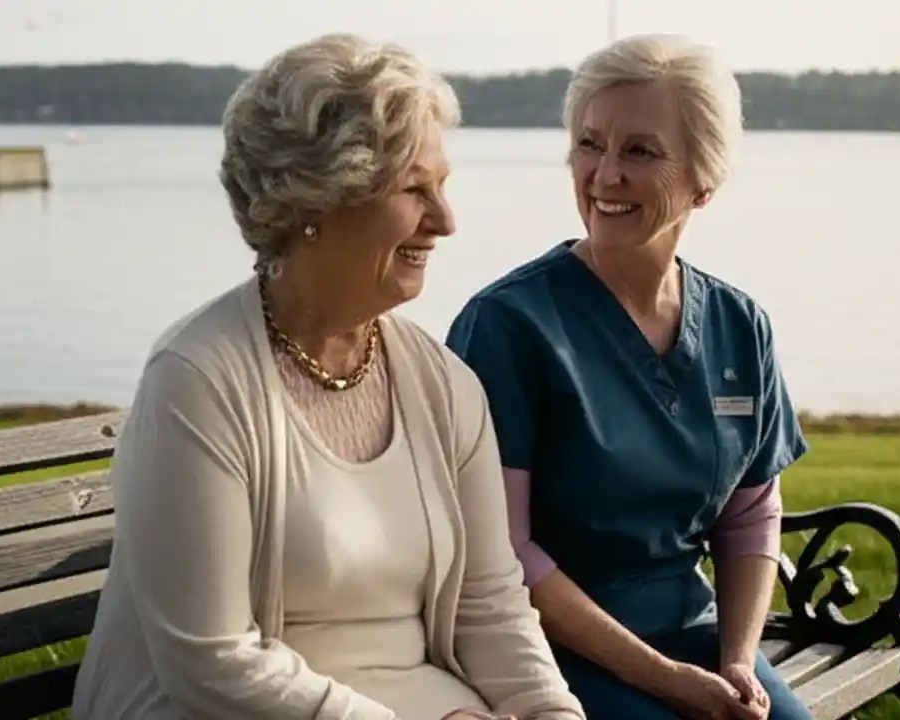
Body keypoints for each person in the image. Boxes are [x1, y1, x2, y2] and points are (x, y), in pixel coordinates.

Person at [69, 34, 585, 720]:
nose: (446, 221)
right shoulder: (198, 382)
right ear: (315, 203)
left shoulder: (444, 387)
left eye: (443, 185)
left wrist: (552, 711)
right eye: (413, 189)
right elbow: (212, 661)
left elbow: (489, 605)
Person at [445, 34, 814, 720]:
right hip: (548, 648)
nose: (604, 174)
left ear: (704, 179)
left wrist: (736, 659)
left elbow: (750, 514)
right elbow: (503, 551)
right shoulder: (508, 327)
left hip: (694, 632)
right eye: (589, 145)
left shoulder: (740, 325)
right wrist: (668, 681)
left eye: (639, 151)